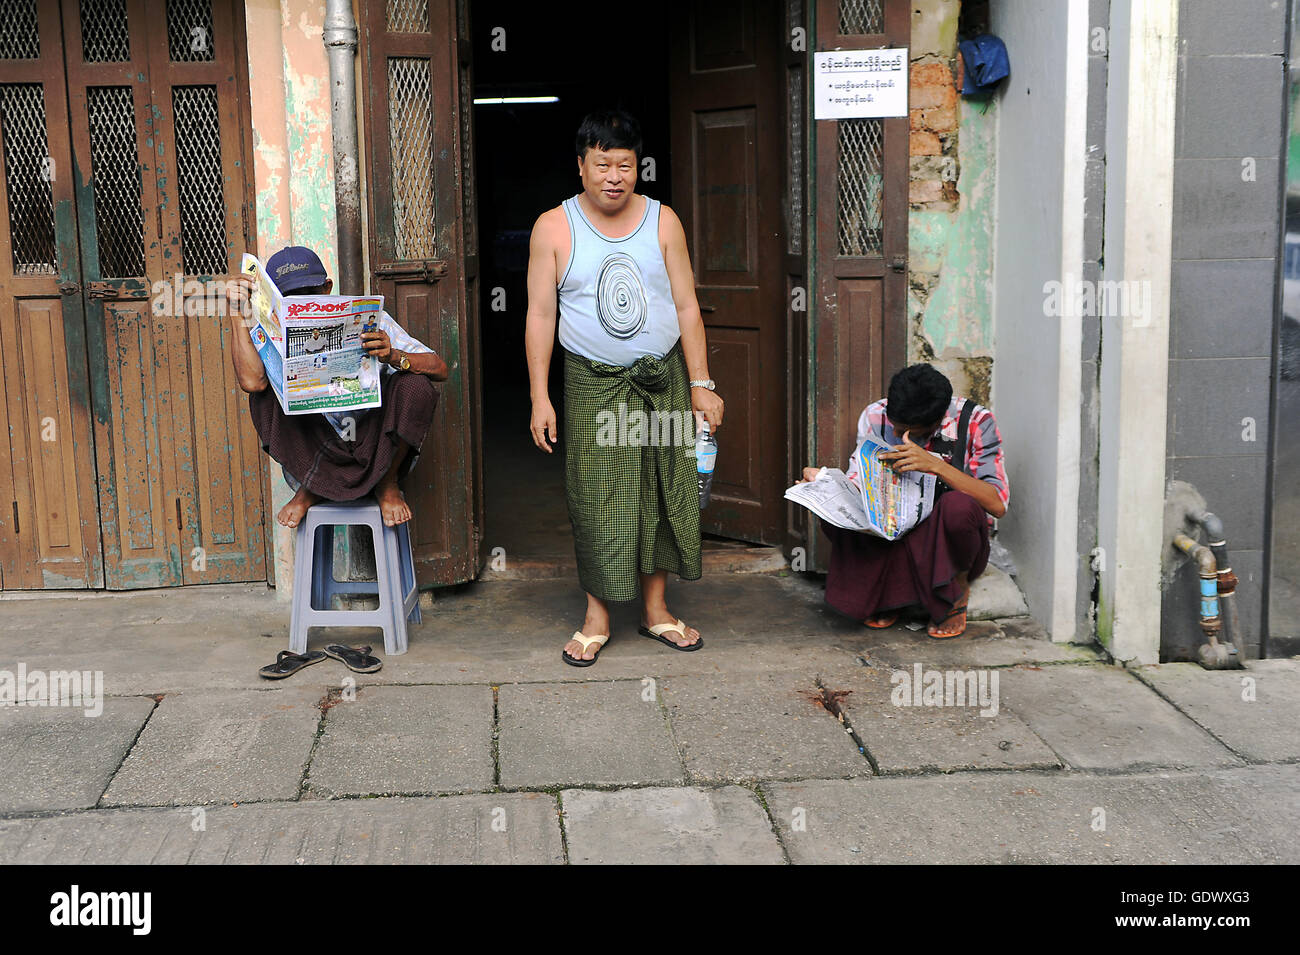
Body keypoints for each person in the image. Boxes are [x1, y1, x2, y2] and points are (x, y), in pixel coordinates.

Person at [525, 109, 725, 667]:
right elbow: (540, 314)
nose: (614, 176)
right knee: (595, 496)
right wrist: (541, 396)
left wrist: (701, 383)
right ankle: (597, 616)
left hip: (659, 380)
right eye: (603, 164)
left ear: (639, 168)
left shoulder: (664, 222)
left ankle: (656, 611)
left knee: (661, 492)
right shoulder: (554, 227)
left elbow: (686, 306)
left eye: (626, 165)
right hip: (590, 383)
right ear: (582, 165)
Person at [226, 246, 449, 528]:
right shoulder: (266, 330)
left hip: (375, 445)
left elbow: (439, 369)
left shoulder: (369, 320)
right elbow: (251, 382)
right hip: (315, 444)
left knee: (416, 385)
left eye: (310, 294)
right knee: (262, 397)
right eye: (291, 299)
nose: (303, 304)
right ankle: (310, 487)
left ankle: (387, 482)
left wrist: (394, 356)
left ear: (327, 288)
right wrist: (236, 314)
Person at [800, 364, 1008, 638]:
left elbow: (997, 505)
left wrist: (937, 467)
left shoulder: (976, 421)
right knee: (836, 516)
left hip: (946, 538)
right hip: (894, 530)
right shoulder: (876, 415)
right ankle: (890, 595)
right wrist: (823, 484)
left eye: (909, 431)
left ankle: (954, 589)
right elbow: (858, 482)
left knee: (958, 508)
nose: (897, 436)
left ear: (936, 422)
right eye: (895, 427)